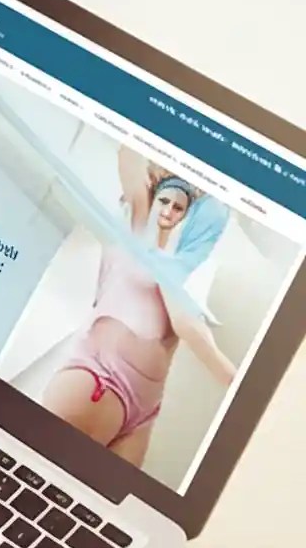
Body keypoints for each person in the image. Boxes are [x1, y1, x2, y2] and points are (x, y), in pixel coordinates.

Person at [42, 146, 236, 467]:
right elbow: (128, 155)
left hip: (144, 412)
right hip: (100, 377)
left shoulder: (181, 268)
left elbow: (186, 323)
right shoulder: (137, 228)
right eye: (166, 201)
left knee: (98, 510)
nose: (170, 210)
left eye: (179, 208)